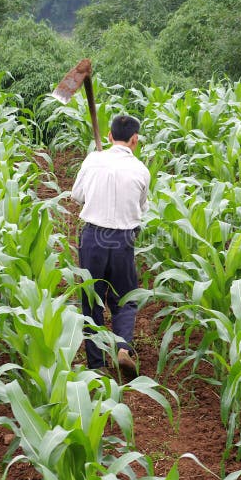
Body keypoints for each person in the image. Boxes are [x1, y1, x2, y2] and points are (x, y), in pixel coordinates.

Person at [71, 114, 150, 378]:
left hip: (93, 237)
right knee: (125, 298)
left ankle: (96, 366)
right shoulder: (141, 170)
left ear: (109, 136)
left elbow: (76, 196)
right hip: (124, 239)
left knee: (91, 300)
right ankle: (123, 347)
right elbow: (142, 207)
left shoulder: (94, 159)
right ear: (135, 140)